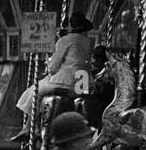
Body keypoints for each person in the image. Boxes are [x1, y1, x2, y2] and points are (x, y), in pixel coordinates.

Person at [14, 12, 94, 140]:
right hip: (82, 82)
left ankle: (30, 127)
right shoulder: (88, 42)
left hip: (66, 82)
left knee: (34, 91)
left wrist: (49, 61)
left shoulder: (65, 40)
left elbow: (53, 67)